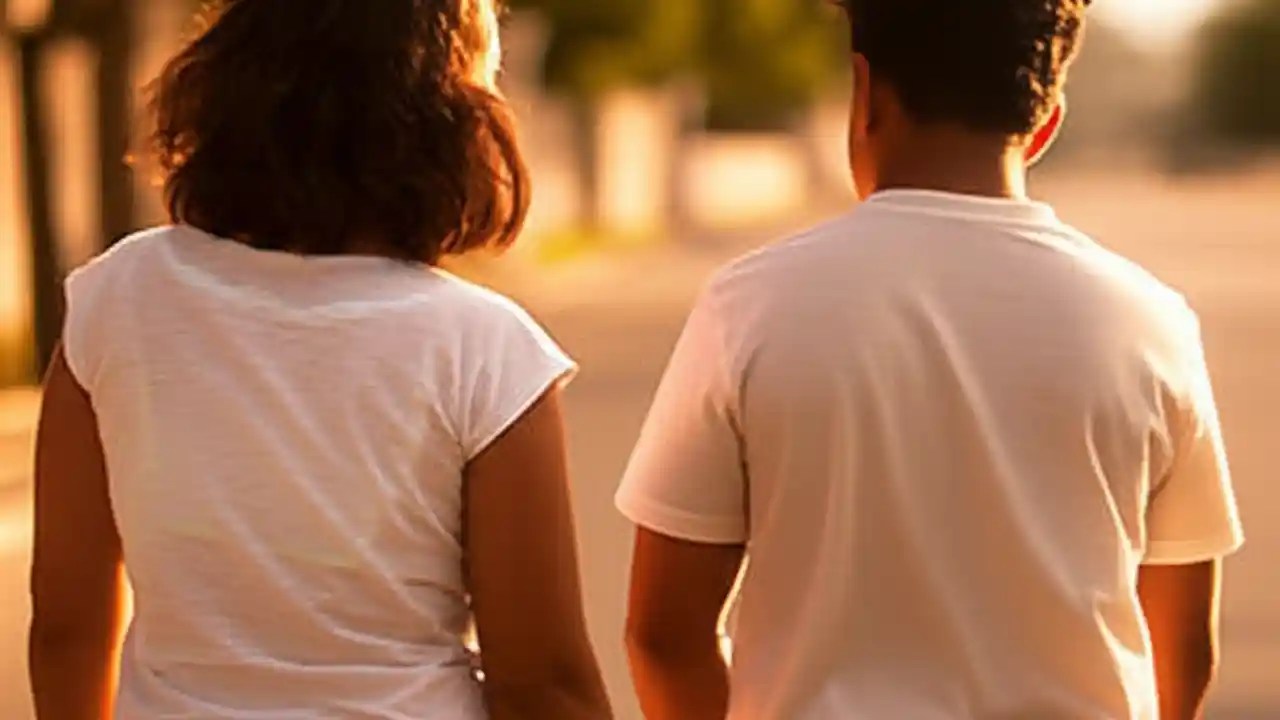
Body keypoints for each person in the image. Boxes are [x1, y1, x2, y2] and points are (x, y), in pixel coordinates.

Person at [617, 1, 1245, 718]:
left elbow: (664, 634)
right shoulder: (1154, 322)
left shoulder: (749, 305)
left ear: (863, 95)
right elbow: (1184, 647)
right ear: (1046, 123)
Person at [27, 1, 612, 718]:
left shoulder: (115, 300)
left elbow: (66, 627)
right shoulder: (485, 349)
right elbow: (541, 679)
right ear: (453, 122)